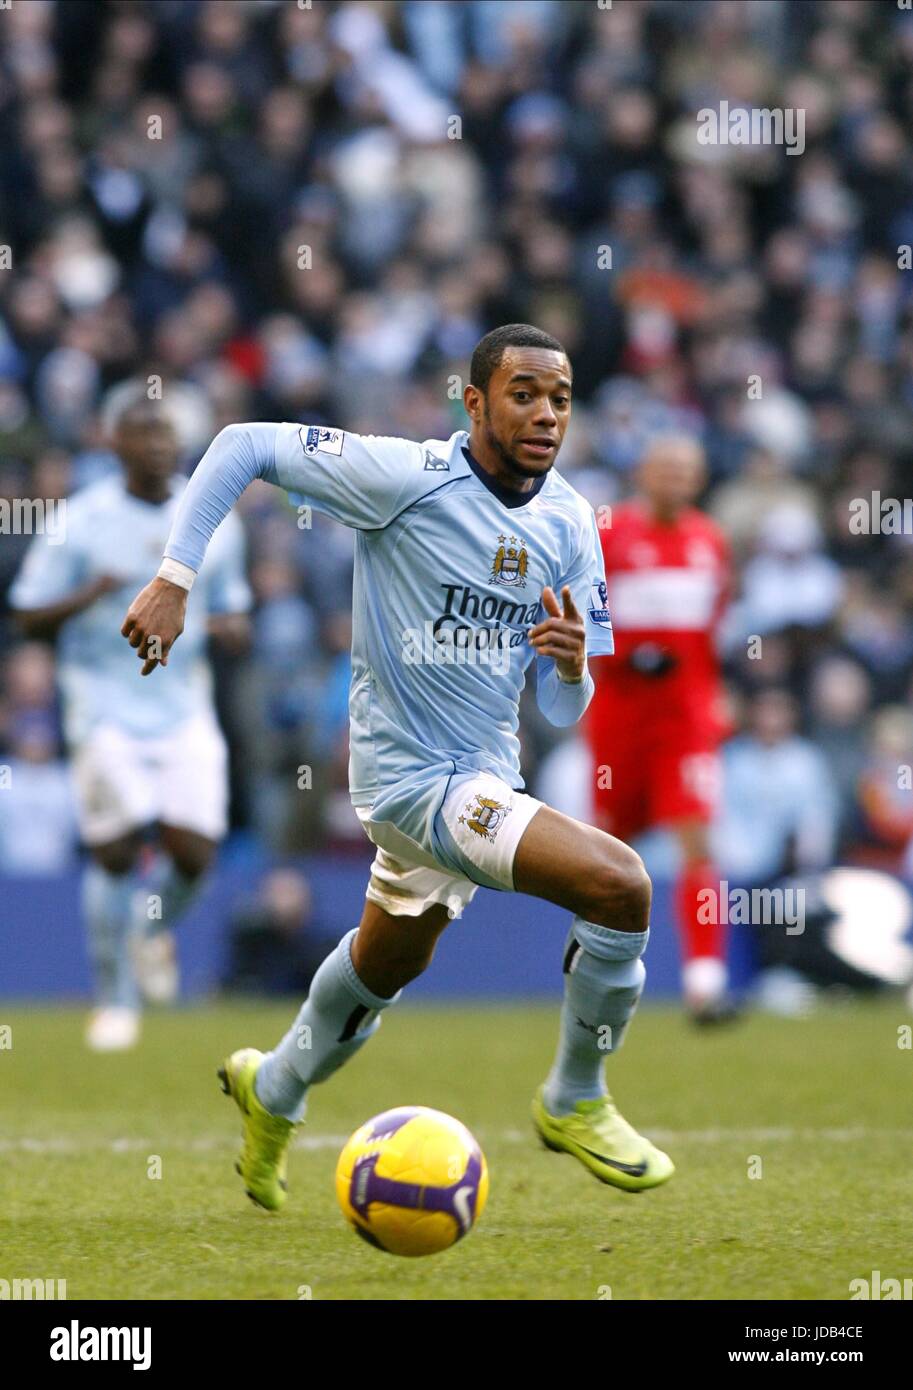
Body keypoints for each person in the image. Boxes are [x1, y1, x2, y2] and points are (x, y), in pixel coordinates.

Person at [121, 323, 675, 1209]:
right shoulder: (406, 478)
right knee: (622, 888)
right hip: (414, 782)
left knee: (386, 965)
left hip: (485, 778)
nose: (544, 414)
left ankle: (273, 1091)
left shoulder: (571, 522)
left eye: (559, 398)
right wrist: (176, 577)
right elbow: (244, 444)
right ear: (474, 401)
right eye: (523, 393)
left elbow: (566, 706)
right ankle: (575, 1097)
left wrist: (569, 666)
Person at [10, 387, 251, 1050]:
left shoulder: (214, 518)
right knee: (116, 849)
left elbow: (232, 605)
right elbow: (26, 612)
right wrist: (88, 592)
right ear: (114, 445)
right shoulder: (80, 521)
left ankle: (149, 931)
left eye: (166, 436)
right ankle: (115, 999)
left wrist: (231, 628)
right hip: (101, 702)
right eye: (143, 435)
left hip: (183, 705)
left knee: (196, 851)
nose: (158, 446)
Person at [587, 436, 735, 1021]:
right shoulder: (610, 536)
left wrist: (715, 695)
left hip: (685, 722)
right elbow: (581, 613)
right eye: (665, 467)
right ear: (643, 473)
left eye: (686, 469)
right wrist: (623, 657)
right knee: (607, 853)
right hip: (620, 720)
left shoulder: (710, 542)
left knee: (698, 839)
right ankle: (597, 976)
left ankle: (705, 985)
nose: (675, 478)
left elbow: (713, 631)